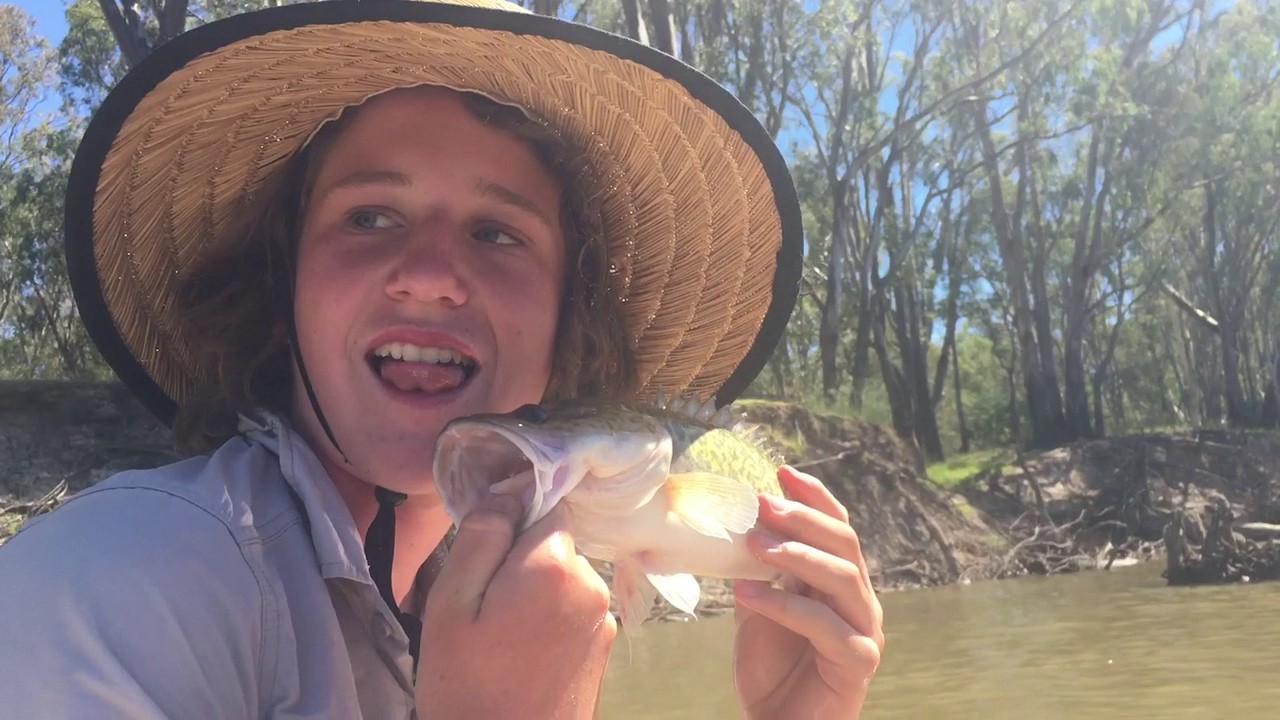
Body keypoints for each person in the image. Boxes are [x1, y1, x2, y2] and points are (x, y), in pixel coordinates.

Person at [0, 0, 884, 717]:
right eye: (369, 217)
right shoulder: (110, 585)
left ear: (570, 324)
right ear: (283, 286)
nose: (428, 276)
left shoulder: (524, 619)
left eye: (497, 233)